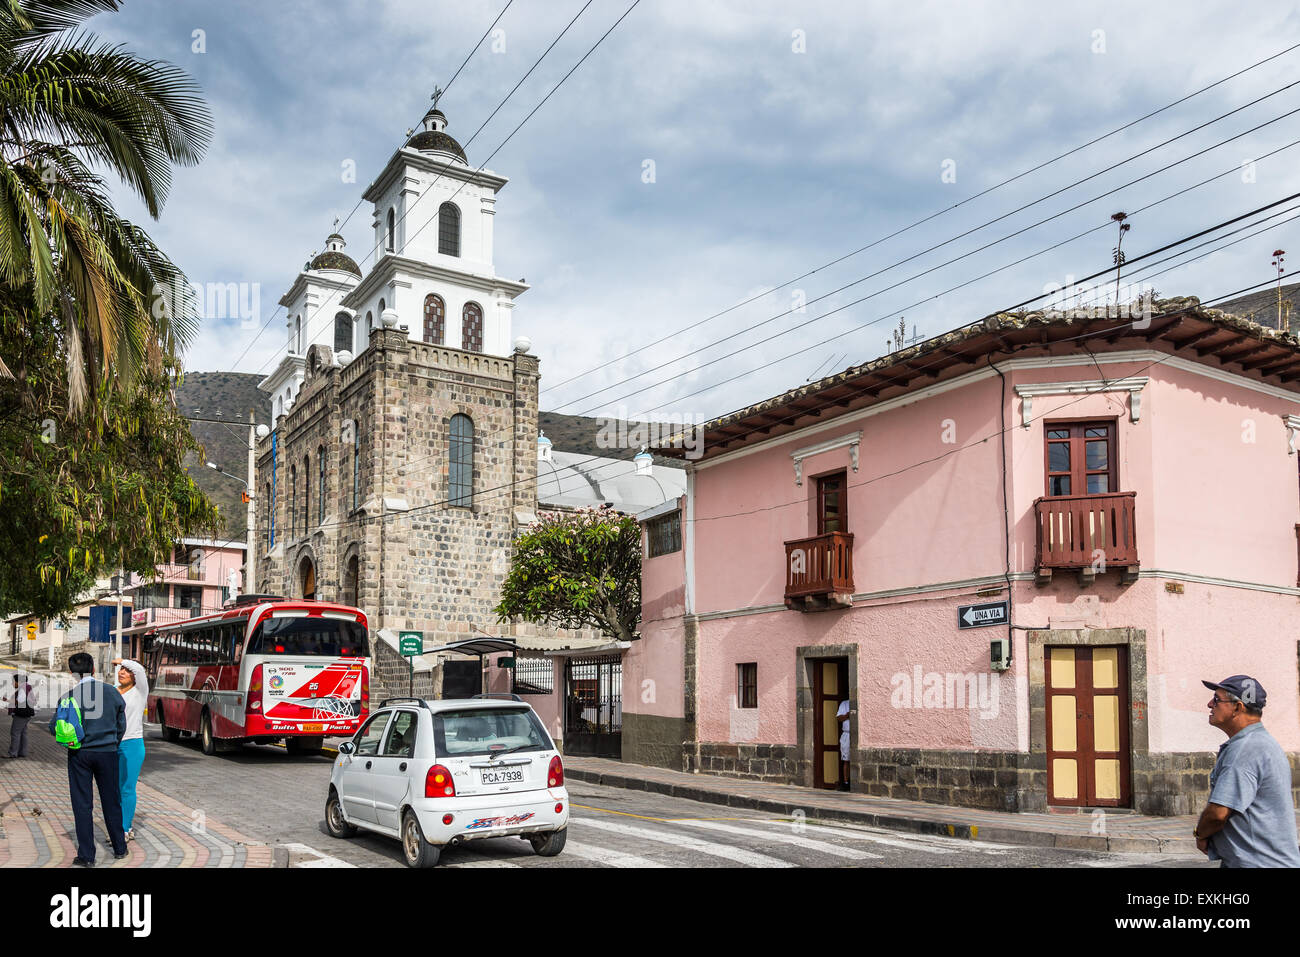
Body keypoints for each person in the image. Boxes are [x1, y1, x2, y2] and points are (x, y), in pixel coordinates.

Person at [1194, 674, 1300, 868]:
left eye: (1217, 699)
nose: (1210, 704)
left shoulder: (1244, 749)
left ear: (1238, 707)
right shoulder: (1261, 743)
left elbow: (1218, 813)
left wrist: (1200, 833)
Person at [49, 652, 127, 866]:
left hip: (79, 754)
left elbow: (54, 727)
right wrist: (113, 742)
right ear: (94, 669)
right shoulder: (112, 693)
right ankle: (120, 848)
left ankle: (87, 856)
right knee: (112, 801)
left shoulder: (68, 697)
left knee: (82, 804)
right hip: (108, 753)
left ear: (72, 673)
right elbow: (122, 725)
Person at [112, 657, 149, 842]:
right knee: (114, 789)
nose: (122, 672)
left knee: (127, 788)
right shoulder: (112, 691)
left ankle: (124, 829)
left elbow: (141, 670)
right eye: (120, 669)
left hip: (132, 744)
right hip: (112, 745)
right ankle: (117, 826)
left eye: (126, 670)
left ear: (134, 675)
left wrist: (122, 660)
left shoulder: (140, 691)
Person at [4, 673, 37, 758]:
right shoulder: (27, 687)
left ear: (18, 682)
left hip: (21, 714)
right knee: (23, 733)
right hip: (27, 714)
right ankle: (22, 752)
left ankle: (12, 753)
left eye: (13, 682)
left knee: (15, 733)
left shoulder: (22, 689)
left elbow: (20, 701)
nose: (12, 684)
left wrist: (8, 700)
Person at [837, 699, 851, 791]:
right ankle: (846, 782)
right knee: (846, 759)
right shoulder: (844, 703)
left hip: (856, 734)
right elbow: (838, 718)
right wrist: (847, 715)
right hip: (847, 734)